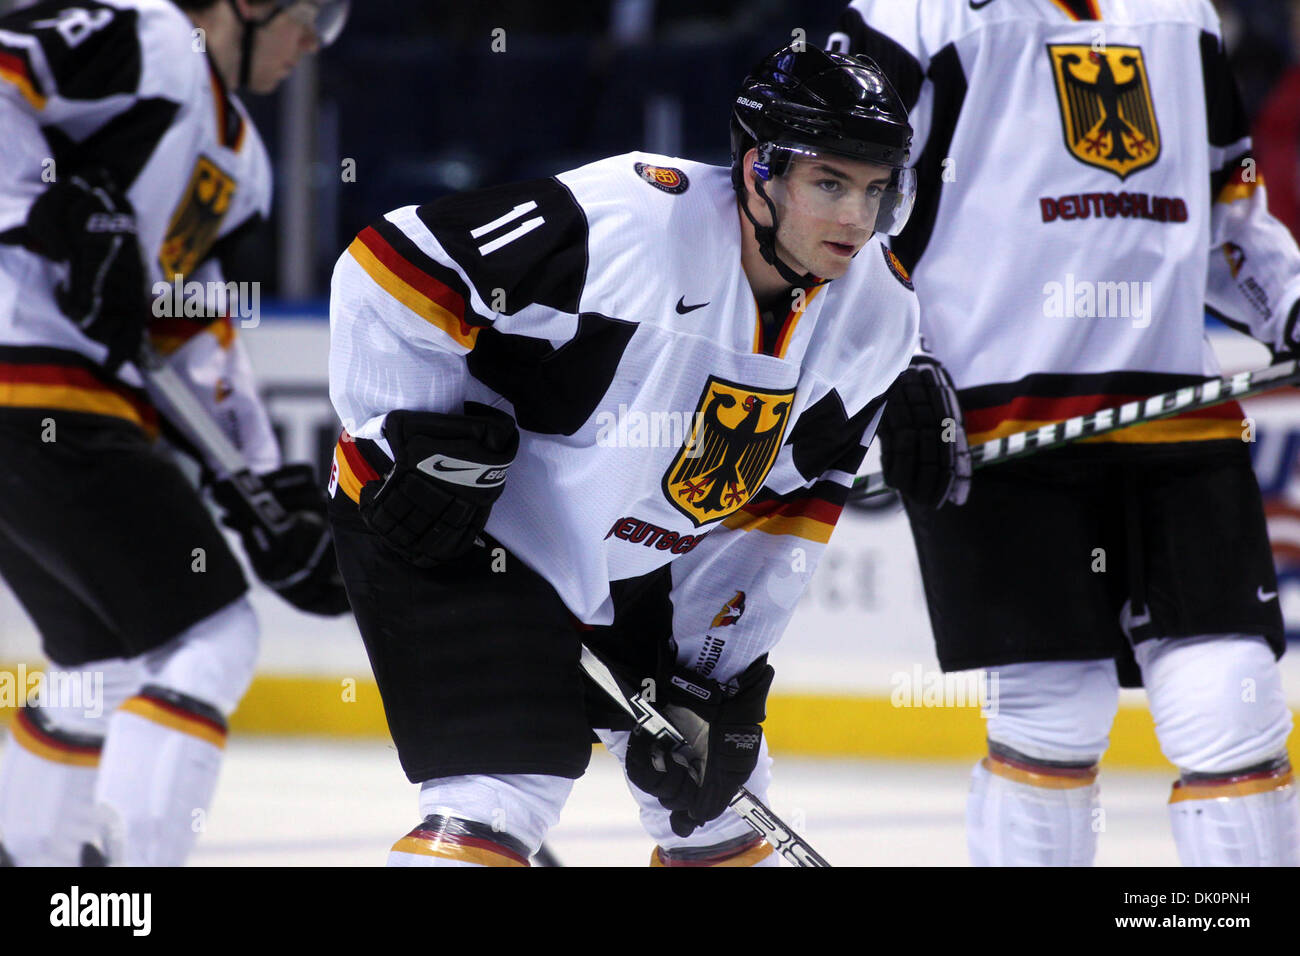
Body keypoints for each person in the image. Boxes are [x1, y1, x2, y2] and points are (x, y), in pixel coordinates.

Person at [326, 44, 921, 866]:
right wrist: (406, 445)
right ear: (758, 174)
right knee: (500, 794)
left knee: (716, 810)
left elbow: (782, 514)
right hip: (462, 531)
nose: (857, 217)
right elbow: (390, 270)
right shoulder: (632, 218)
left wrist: (714, 676)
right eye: (830, 183)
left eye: (876, 187)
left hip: (621, 561)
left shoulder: (878, 314)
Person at [831, 0, 1300, 865]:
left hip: (1174, 412)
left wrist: (1290, 303)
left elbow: (1227, 207)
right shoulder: (911, 11)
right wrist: (889, 364)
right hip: (992, 420)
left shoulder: (1183, 12)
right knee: (1053, 712)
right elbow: (833, 204)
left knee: (1232, 706)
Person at [0, 0, 351, 866]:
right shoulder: (146, 32)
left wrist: (263, 486)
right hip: (34, 379)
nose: (312, 43)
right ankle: (130, 886)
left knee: (107, 657)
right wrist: (49, 203)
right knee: (214, 634)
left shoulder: (243, 162)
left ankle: (33, 861)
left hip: (58, 401)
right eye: (310, 16)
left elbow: (185, 324)